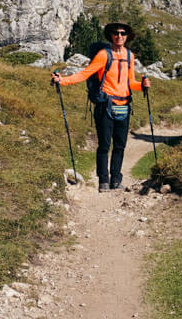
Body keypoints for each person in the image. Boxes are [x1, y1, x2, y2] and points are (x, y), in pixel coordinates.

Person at [52, 22, 150, 192]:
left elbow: (130, 82)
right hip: (105, 105)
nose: (119, 36)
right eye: (116, 33)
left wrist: (142, 86)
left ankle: (116, 180)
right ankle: (104, 181)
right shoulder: (104, 55)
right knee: (104, 144)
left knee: (120, 145)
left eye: (123, 33)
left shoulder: (129, 56)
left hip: (124, 105)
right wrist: (63, 80)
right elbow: (85, 73)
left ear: (127, 36)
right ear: (111, 35)